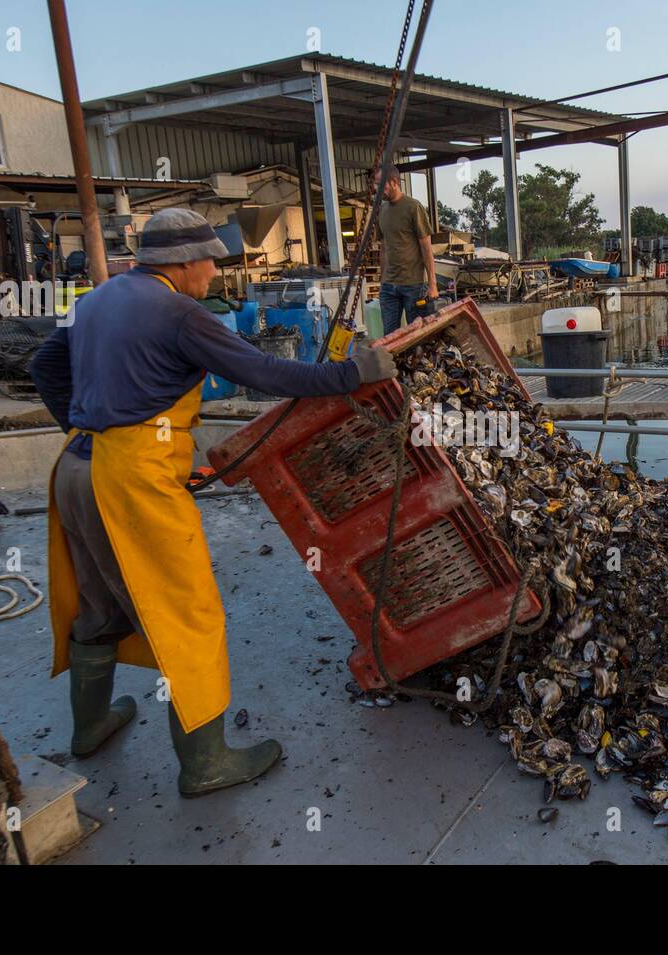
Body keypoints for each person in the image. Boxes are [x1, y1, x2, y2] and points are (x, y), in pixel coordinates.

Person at [28, 208, 395, 797]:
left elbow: (43, 366)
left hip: (75, 469)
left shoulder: (95, 300)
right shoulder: (179, 313)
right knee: (189, 616)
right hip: (130, 484)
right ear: (182, 262)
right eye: (210, 261)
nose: (213, 272)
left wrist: (91, 425)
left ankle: (90, 728)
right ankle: (205, 764)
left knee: (97, 603)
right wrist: (353, 373)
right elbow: (266, 373)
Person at [376, 167, 438, 332]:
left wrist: (432, 284)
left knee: (418, 336)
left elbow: (426, 249)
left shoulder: (413, 207)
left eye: (381, 185)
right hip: (389, 287)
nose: (377, 189)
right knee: (390, 337)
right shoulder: (382, 211)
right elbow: (384, 248)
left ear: (394, 182)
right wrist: (382, 281)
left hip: (414, 286)